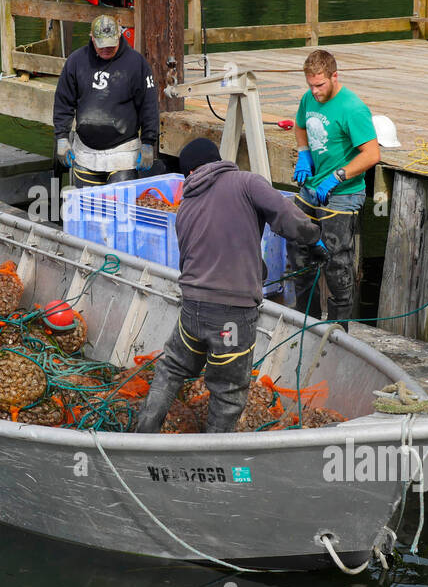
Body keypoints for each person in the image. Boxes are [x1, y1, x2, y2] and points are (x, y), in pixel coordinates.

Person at [134, 139, 324, 434]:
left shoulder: (185, 208)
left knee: (172, 368)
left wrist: (255, 268)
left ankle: (142, 434)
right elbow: (285, 216)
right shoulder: (247, 182)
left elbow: (190, 261)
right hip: (231, 318)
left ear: (190, 173)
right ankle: (211, 459)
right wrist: (313, 238)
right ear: (217, 161)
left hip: (193, 310)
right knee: (228, 390)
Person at [286, 49, 380, 329]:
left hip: (342, 194)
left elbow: (372, 154)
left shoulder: (352, 108)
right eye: (311, 85)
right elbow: (300, 126)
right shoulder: (308, 99)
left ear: (334, 76)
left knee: (337, 263)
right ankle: (308, 324)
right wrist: (304, 154)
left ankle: (339, 333)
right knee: (299, 256)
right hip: (311, 189)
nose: (315, 92)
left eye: (320, 85)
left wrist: (338, 176)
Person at [53, 14, 160, 189]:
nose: (106, 50)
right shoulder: (76, 61)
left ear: (119, 36)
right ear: (92, 38)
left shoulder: (136, 63)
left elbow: (149, 106)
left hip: (123, 152)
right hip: (85, 152)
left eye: (111, 45)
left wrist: (148, 142)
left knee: (118, 208)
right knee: (89, 208)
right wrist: (62, 137)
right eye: (101, 45)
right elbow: (63, 102)